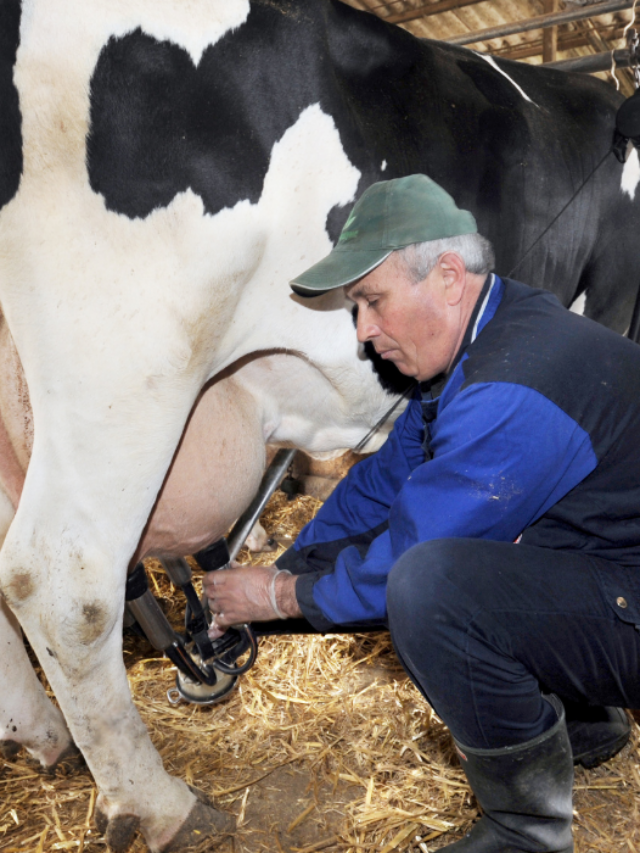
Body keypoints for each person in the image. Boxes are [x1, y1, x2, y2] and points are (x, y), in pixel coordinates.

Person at [203, 174, 640, 852]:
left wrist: (280, 596)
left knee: (432, 588)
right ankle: (587, 720)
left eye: (372, 301)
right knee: (502, 543)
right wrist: (297, 560)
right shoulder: (489, 335)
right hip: (617, 569)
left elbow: (413, 553)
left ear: (446, 275)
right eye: (356, 308)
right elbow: (382, 482)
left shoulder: (511, 387)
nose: (364, 331)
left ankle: (526, 827)